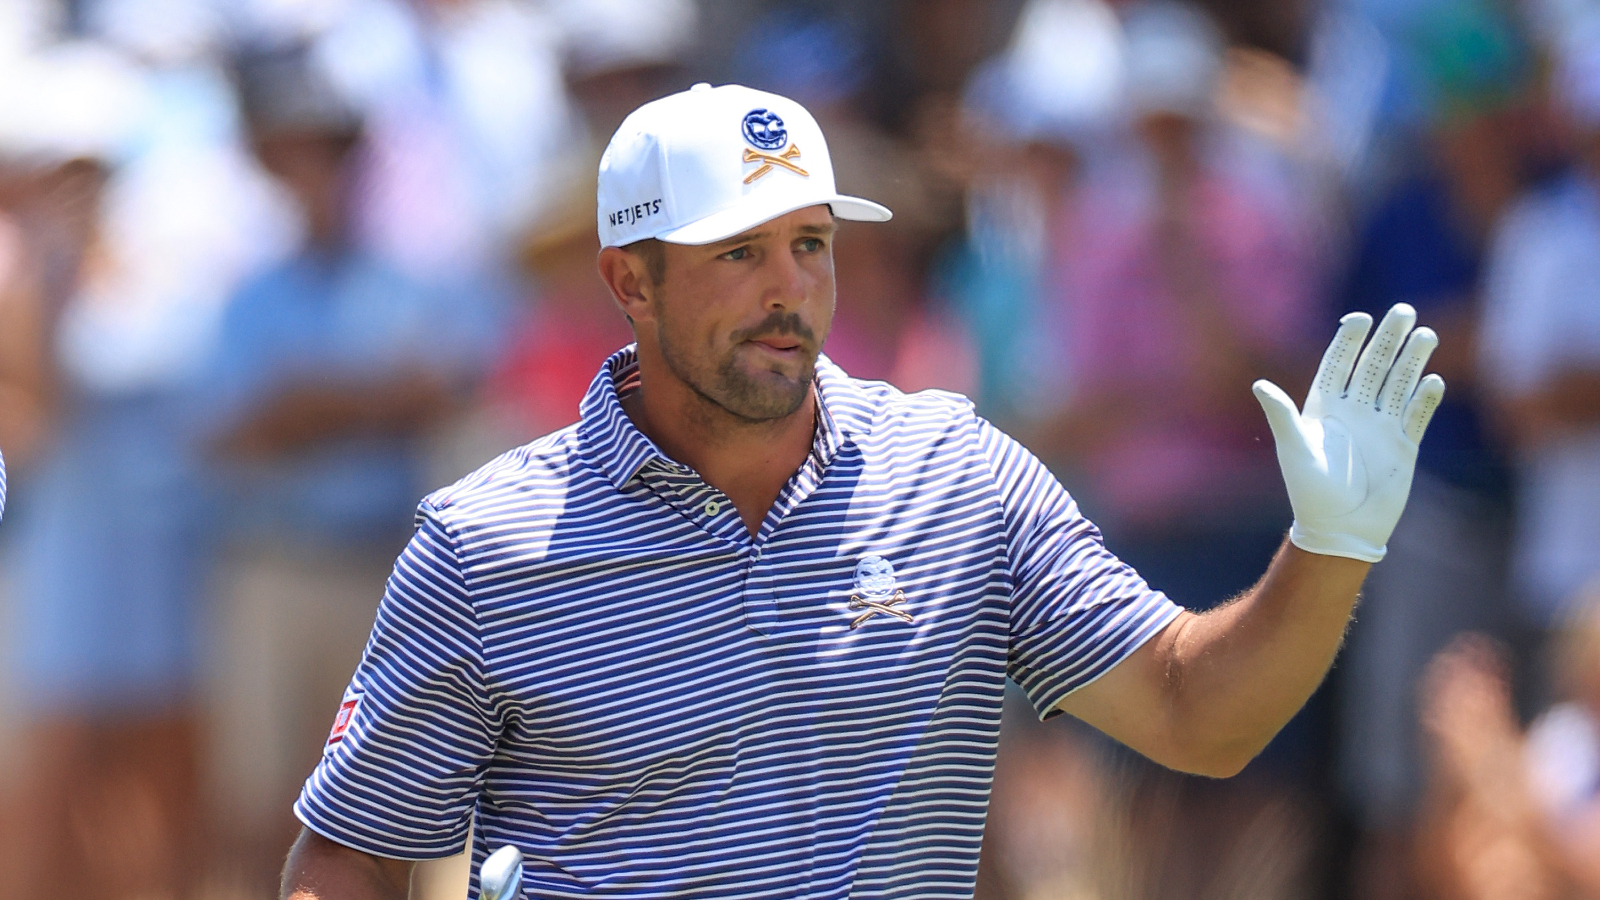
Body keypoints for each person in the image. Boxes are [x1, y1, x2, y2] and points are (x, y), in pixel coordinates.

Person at [279, 82, 1446, 899]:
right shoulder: (484, 547)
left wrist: (1329, 545)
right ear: (627, 280)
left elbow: (1198, 716)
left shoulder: (956, 476)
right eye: (739, 253)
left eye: (812, 243)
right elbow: (348, 856)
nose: (788, 289)